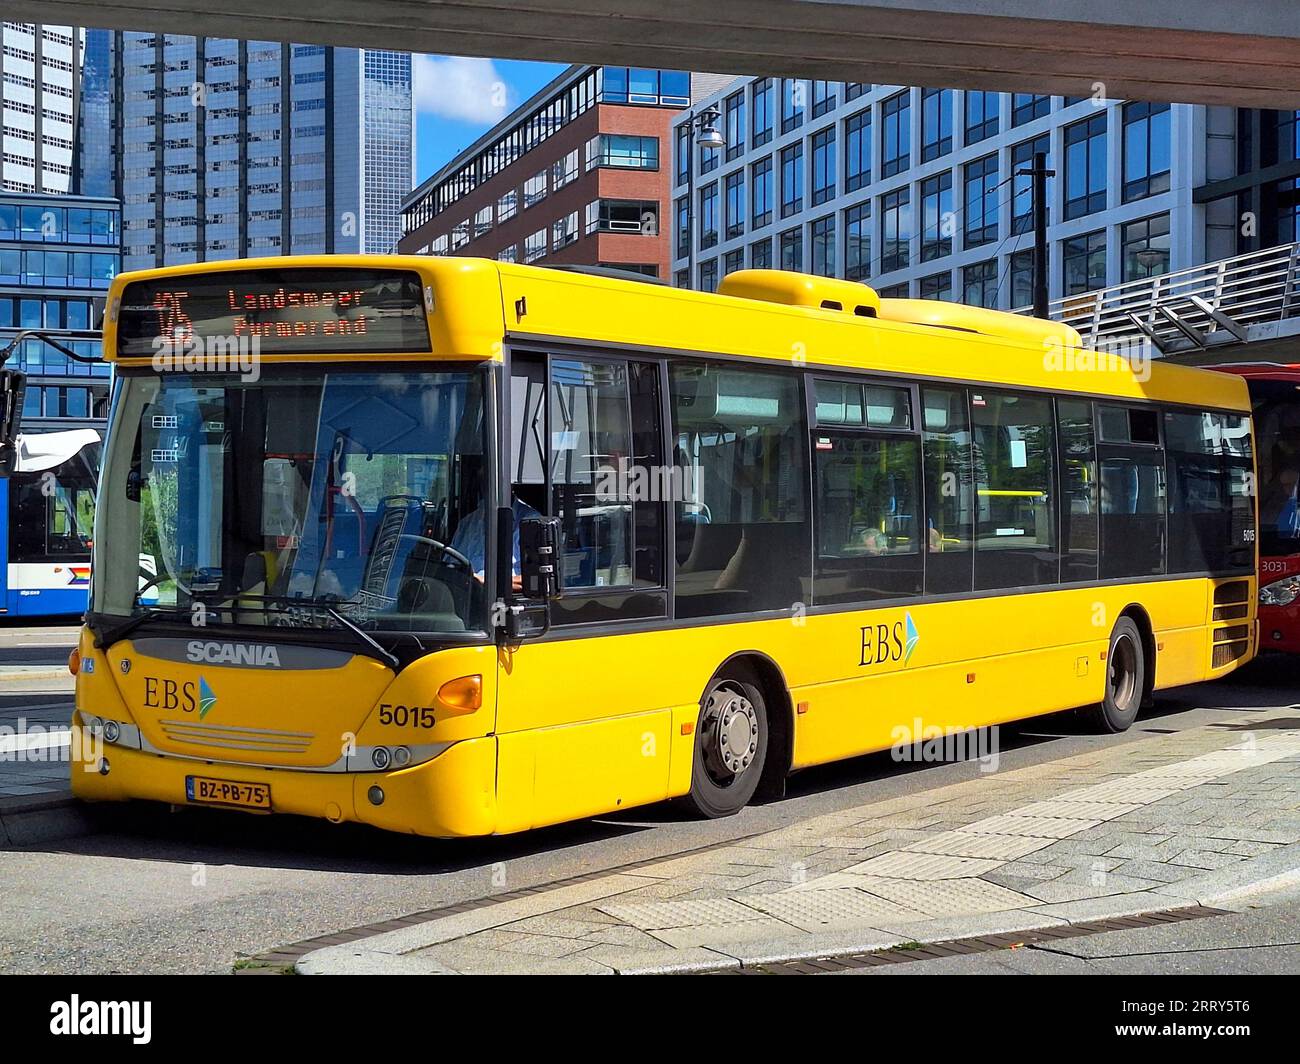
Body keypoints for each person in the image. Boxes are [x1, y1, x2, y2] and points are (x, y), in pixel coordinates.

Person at [449, 493, 541, 590]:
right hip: (462, 595)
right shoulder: (466, 523)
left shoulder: (531, 522)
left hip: (503, 600)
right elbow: (449, 566)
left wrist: (487, 582)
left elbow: (537, 580)